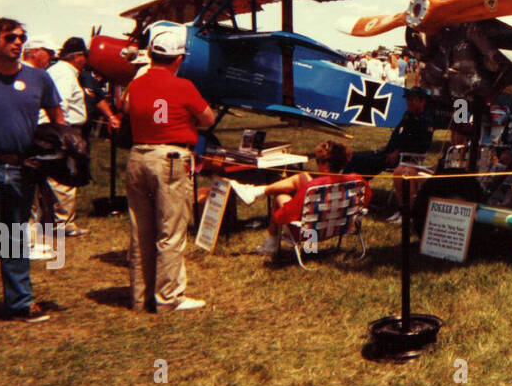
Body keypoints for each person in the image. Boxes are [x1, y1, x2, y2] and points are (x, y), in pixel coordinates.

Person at [0, 18, 64, 337]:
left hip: (22, 169)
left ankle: (20, 302)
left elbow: (57, 116)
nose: (18, 42)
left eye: (22, 37)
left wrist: (58, 149)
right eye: (11, 37)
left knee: (16, 236)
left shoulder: (38, 78)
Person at [122, 27, 215, 312]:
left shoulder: (136, 85)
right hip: (171, 158)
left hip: (138, 155)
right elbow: (208, 119)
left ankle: (141, 296)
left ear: (151, 55)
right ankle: (169, 297)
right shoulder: (184, 86)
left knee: (141, 230)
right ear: (178, 59)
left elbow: (126, 108)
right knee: (171, 230)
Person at [235, 140, 373, 256]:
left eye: (317, 161)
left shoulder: (313, 188)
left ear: (325, 164)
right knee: (302, 178)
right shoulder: (358, 182)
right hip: (341, 228)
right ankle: (256, 192)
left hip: (309, 234)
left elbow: (283, 216)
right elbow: (365, 202)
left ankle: (271, 244)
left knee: (280, 196)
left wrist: (279, 209)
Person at [45, 37, 91, 237]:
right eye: (84, 56)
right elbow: (60, 102)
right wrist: (63, 131)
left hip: (57, 128)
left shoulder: (59, 71)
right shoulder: (65, 74)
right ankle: (64, 222)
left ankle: (53, 219)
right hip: (65, 128)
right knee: (65, 176)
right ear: (78, 57)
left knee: (54, 176)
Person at [346, 87, 434, 176]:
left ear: (423, 102)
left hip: (402, 159)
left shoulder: (424, 121)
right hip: (388, 153)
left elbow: (421, 145)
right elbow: (398, 135)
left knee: (363, 163)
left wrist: (397, 152)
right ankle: (347, 181)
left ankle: (352, 181)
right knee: (355, 158)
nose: (409, 103)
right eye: (408, 100)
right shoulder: (408, 115)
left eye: (413, 100)